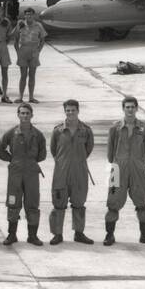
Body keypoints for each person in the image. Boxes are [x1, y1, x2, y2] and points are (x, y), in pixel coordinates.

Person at [105, 96, 145, 246]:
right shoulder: (115, 127)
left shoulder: (144, 128)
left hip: (138, 169)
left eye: (133, 107)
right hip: (116, 169)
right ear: (123, 108)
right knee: (113, 203)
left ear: (137, 108)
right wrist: (117, 163)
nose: (130, 110)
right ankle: (109, 235)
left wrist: (139, 163)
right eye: (127, 107)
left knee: (141, 202)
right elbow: (110, 151)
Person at [0, 103, 48, 245]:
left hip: (31, 173)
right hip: (15, 173)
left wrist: (31, 162)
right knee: (13, 203)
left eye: (27, 113)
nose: (25, 116)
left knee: (32, 203)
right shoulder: (12, 133)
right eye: (22, 113)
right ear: (18, 115)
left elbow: (43, 154)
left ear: (32, 115)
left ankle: (32, 236)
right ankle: (12, 235)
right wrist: (11, 159)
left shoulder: (38, 135)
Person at [50, 99, 95, 245]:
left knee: (79, 203)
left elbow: (88, 149)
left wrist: (77, 161)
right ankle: (57, 234)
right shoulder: (58, 130)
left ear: (78, 111)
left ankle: (79, 233)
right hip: (61, 172)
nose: (70, 113)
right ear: (65, 112)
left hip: (79, 172)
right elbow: (53, 150)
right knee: (59, 204)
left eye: (73, 110)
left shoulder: (86, 131)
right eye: (67, 110)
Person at [12, 8, 46, 104]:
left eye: (30, 14)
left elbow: (43, 40)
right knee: (23, 76)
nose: (29, 16)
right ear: (24, 16)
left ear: (34, 15)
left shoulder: (38, 26)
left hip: (34, 51)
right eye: (27, 14)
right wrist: (18, 52)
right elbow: (15, 40)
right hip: (23, 50)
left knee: (32, 75)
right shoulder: (21, 25)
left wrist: (38, 50)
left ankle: (31, 97)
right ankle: (20, 97)